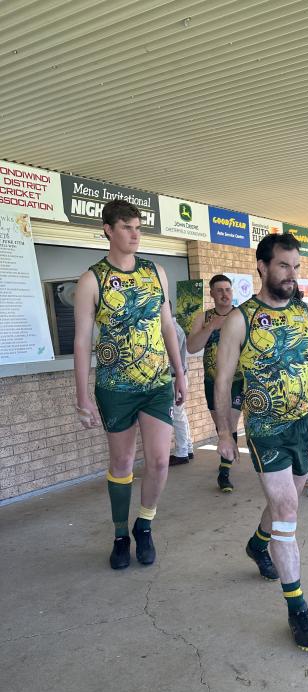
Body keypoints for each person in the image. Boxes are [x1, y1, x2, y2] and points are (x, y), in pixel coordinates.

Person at [215, 233, 308, 650]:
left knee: (289, 497)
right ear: (263, 267)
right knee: (288, 508)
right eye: (284, 266)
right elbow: (223, 380)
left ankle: (258, 544)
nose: (292, 275)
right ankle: (298, 609)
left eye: (296, 267)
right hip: (265, 430)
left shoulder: (304, 312)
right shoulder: (241, 319)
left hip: (299, 425)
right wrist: (224, 432)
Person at [74, 198, 186, 570]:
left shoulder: (155, 272)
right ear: (108, 230)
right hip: (115, 388)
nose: (135, 234)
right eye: (127, 227)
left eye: (138, 227)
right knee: (122, 462)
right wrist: (82, 396)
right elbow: (81, 341)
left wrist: (180, 372)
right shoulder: (93, 279)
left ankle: (145, 525)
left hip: (156, 384)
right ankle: (121, 534)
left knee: (158, 461)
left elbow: (168, 325)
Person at [186, 274, 243, 493]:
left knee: (230, 420)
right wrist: (210, 327)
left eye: (228, 289)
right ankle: (227, 456)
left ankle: (224, 471)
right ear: (211, 294)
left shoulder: (240, 315)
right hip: (212, 380)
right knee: (222, 425)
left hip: (238, 379)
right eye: (219, 290)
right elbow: (191, 347)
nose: (224, 294)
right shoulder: (203, 317)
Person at [168, 302, 194, 466]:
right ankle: (187, 448)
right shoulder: (174, 327)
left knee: (177, 415)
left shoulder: (172, 330)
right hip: (178, 377)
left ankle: (181, 452)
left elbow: (172, 356)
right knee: (180, 414)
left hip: (175, 378)